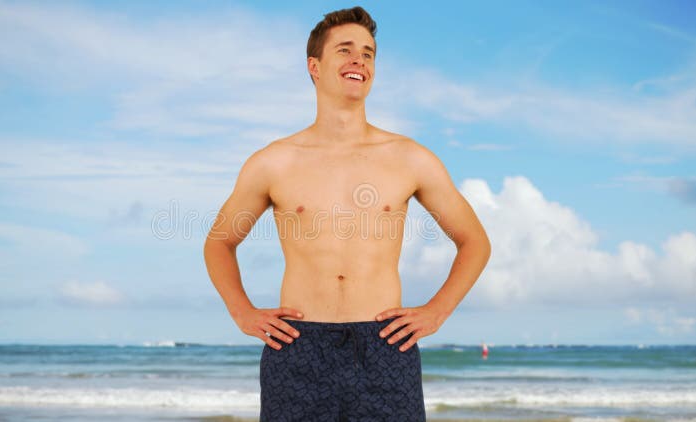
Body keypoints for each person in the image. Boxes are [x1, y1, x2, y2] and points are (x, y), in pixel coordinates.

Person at [203, 6, 491, 421]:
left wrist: (437, 311)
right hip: (297, 349)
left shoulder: (410, 158)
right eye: (345, 50)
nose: (359, 60)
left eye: (368, 53)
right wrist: (242, 311)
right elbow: (219, 242)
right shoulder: (273, 162)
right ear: (314, 66)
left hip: (386, 346)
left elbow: (474, 241)